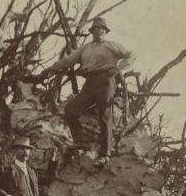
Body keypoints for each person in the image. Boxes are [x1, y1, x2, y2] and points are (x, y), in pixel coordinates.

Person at [40, 18, 134, 162]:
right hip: (90, 82)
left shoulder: (111, 45)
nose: (100, 30)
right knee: (70, 110)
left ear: (106, 31)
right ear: (92, 31)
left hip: (106, 81)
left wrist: (118, 69)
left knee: (105, 115)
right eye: (97, 28)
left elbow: (131, 54)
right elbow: (68, 60)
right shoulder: (85, 48)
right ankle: (80, 140)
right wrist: (51, 68)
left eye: (103, 28)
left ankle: (105, 154)